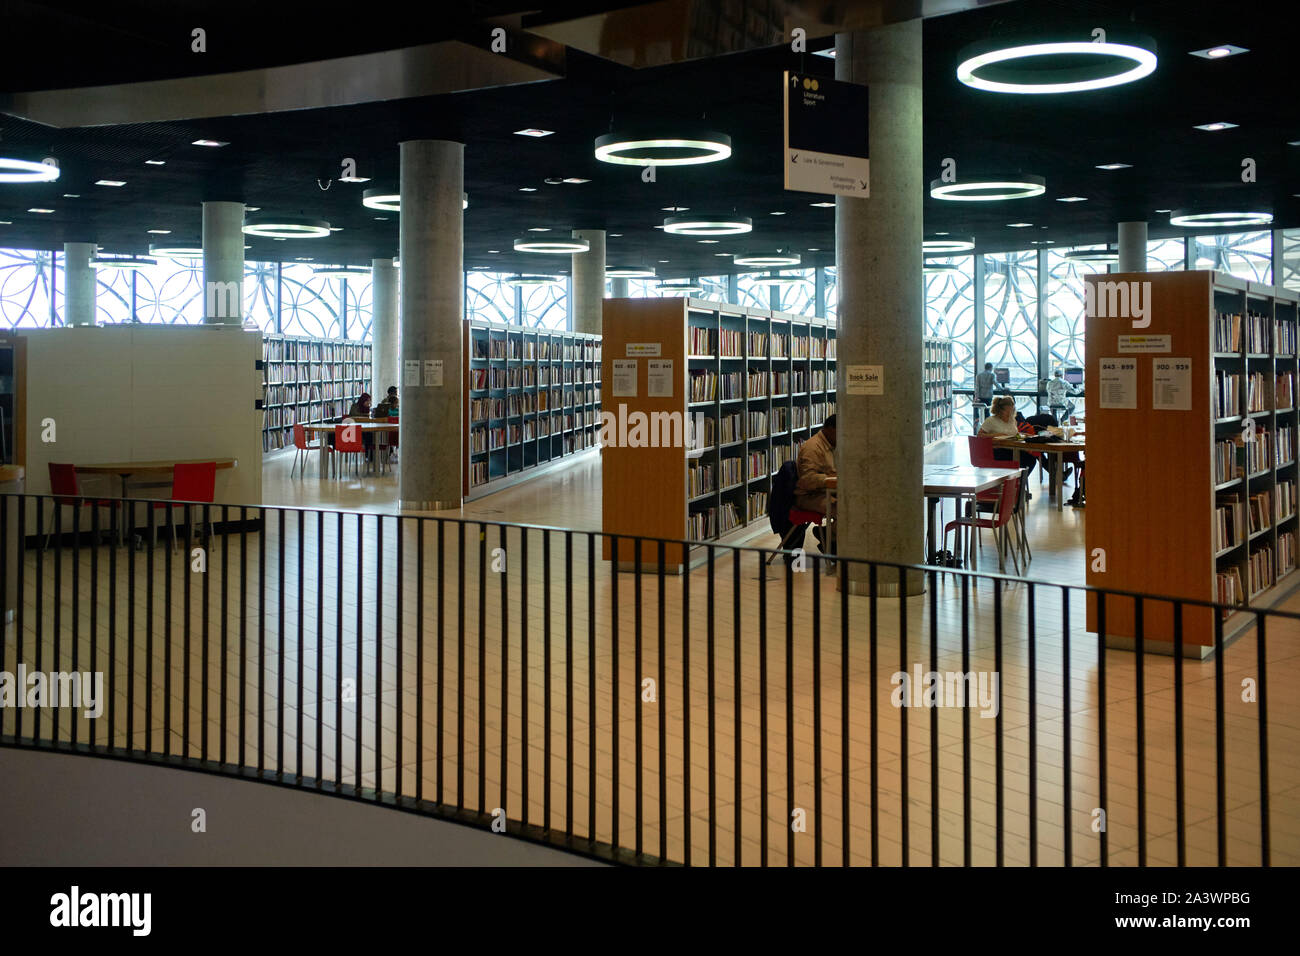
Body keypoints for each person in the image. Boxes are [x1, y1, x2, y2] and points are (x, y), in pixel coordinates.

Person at [794, 414, 837, 554]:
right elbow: (807, 479)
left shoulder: (832, 444)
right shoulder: (813, 448)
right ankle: (832, 539)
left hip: (826, 492)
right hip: (809, 496)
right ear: (831, 429)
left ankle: (830, 536)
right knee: (848, 509)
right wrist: (832, 479)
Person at [978, 396, 1039, 481]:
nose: (1009, 413)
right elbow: (980, 435)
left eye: (1012, 410)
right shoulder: (991, 420)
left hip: (1013, 448)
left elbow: (1014, 433)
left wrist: (1025, 435)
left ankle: (1019, 482)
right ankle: (1014, 482)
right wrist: (996, 435)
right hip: (997, 450)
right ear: (1000, 410)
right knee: (1020, 460)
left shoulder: (1012, 420)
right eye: (1007, 411)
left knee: (1031, 459)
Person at [974, 362, 996, 428]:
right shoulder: (992, 375)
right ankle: (987, 426)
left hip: (981, 396)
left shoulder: (979, 375)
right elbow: (995, 383)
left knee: (976, 406)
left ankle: (977, 417)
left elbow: (977, 387)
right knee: (987, 411)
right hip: (988, 396)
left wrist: (976, 396)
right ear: (991, 368)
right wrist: (1002, 388)